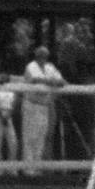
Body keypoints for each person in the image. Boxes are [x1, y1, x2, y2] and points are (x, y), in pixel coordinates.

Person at [21, 45, 65, 178]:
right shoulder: (31, 66)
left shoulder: (50, 67)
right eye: (40, 55)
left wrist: (49, 81)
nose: (43, 58)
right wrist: (51, 82)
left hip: (44, 106)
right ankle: (28, 170)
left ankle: (37, 168)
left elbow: (62, 81)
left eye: (45, 55)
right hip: (31, 104)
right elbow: (35, 80)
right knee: (30, 138)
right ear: (36, 56)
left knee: (41, 137)